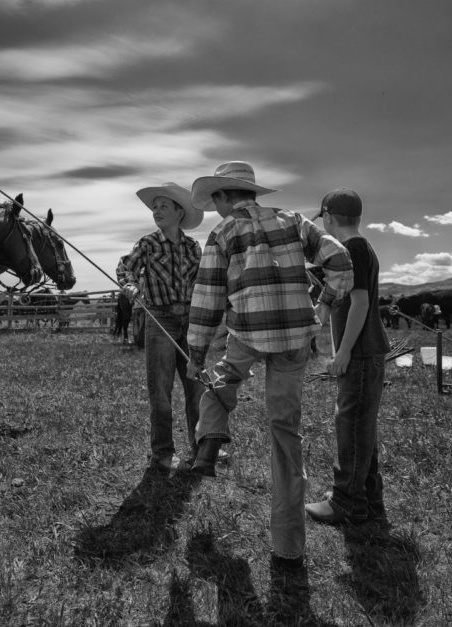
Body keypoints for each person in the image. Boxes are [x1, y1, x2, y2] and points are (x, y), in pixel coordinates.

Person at [184, 161, 353, 570]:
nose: (216, 208)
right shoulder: (294, 222)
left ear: (225, 196)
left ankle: (210, 442)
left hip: (247, 333)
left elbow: (207, 298)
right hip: (296, 337)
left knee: (219, 378)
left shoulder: (223, 232)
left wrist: (194, 351)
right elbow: (341, 260)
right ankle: (288, 547)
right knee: (285, 432)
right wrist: (324, 304)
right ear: (254, 193)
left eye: (215, 200)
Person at [305, 189, 391, 527]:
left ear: (327, 217)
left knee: (350, 425)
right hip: (366, 351)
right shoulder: (362, 245)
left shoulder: (351, 248)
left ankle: (346, 504)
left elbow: (360, 303)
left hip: (360, 351)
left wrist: (343, 352)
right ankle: (367, 497)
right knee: (361, 428)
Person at [116, 183, 205, 474]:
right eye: (154, 207)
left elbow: (204, 282)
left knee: (195, 387)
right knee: (161, 390)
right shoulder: (147, 244)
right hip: (160, 319)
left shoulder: (194, 248)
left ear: (180, 212)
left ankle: (200, 446)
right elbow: (124, 267)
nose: (156, 211)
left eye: (163, 206)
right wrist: (129, 285)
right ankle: (163, 453)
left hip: (189, 319)